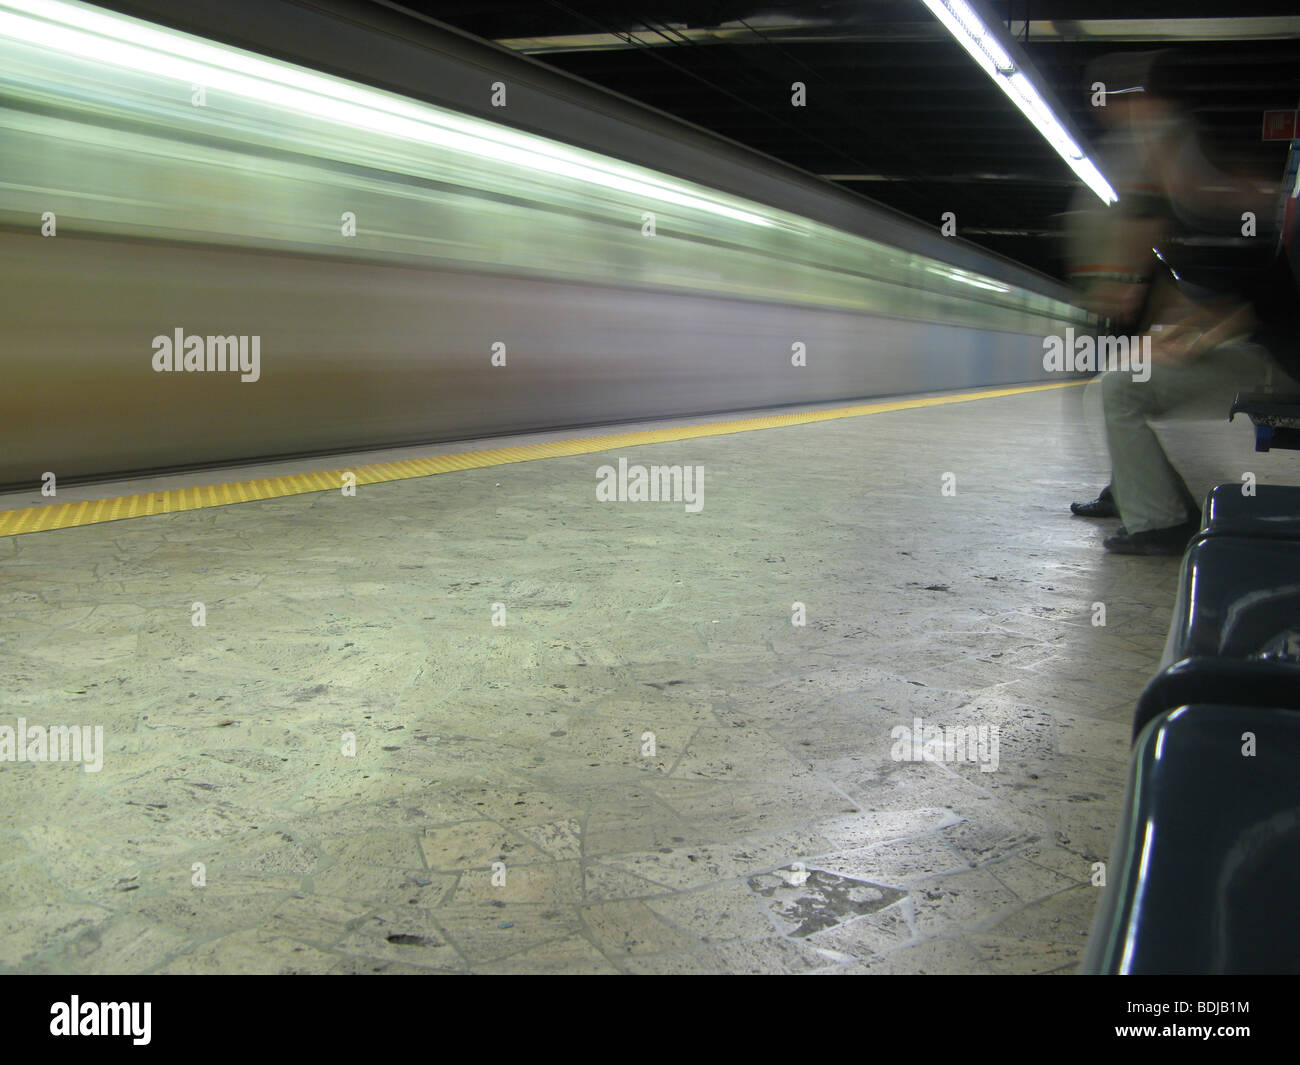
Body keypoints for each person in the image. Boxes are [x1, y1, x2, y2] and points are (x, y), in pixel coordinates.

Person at [1065, 51, 1298, 555]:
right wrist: (1175, 336)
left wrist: (1192, 343)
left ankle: (1163, 523)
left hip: (1282, 361)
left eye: (1149, 129)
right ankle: (1161, 506)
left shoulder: (1217, 203)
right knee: (1120, 383)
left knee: (1118, 389)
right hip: (1266, 350)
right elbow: (1218, 297)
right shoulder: (1191, 208)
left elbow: (1257, 302)